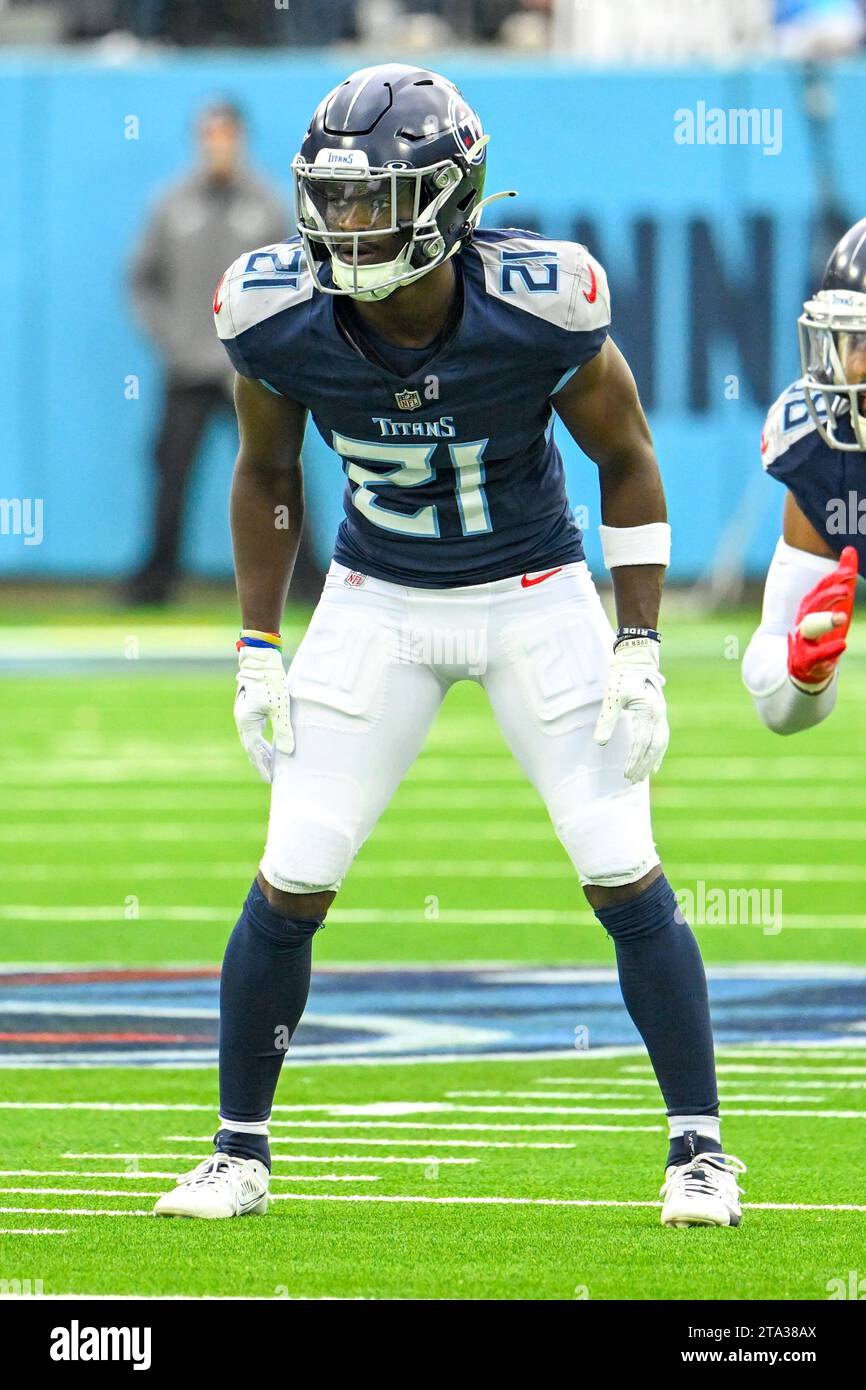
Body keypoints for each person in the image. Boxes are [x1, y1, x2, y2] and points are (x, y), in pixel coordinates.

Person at [154, 64, 745, 1227]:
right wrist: (254, 642)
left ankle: (699, 1149)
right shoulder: (275, 310)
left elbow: (625, 461)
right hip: (377, 599)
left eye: (373, 199)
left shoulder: (539, 302)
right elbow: (267, 473)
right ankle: (237, 1151)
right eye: (331, 196)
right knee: (293, 872)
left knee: (618, 861)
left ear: (448, 198)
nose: (343, 223)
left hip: (532, 595)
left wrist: (637, 642)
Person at [126, 101, 288, 605]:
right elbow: (141, 281)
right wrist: (171, 339)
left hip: (247, 372)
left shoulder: (265, 204)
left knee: (277, 470)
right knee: (171, 474)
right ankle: (157, 579)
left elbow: (290, 283)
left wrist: (265, 347)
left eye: (226, 134)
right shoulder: (171, 203)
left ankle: (301, 577)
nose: (217, 144)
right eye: (208, 135)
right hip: (188, 369)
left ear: (239, 139)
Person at [743, 217, 863, 733]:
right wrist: (805, 672)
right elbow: (775, 699)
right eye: (850, 340)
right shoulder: (825, 454)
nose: (854, 365)